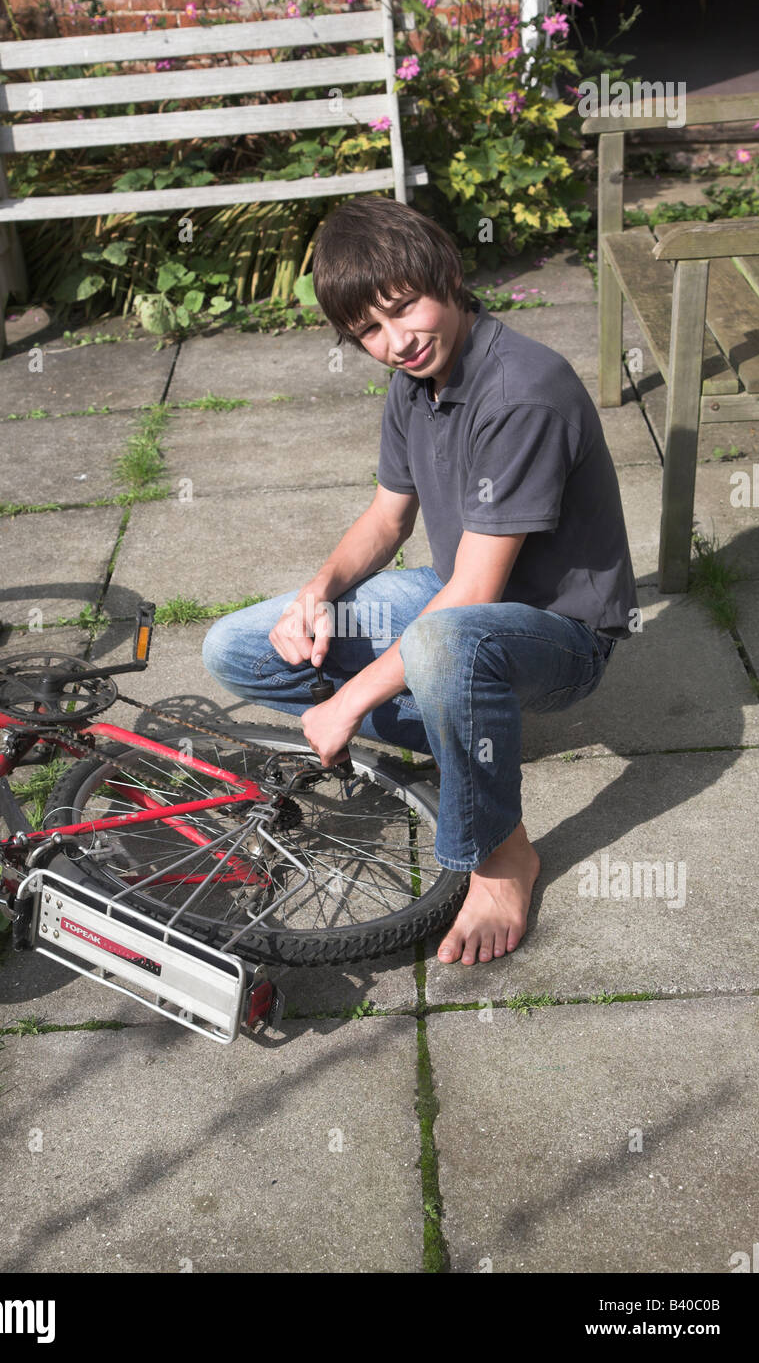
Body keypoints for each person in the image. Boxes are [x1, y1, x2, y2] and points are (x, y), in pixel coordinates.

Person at [202, 195, 638, 966]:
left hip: (560, 635)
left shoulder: (523, 394)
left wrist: (347, 700)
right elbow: (384, 518)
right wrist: (318, 592)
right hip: (456, 601)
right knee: (235, 649)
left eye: (405, 310)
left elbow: (471, 597)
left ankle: (503, 857)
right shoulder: (415, 380)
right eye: (369, 330)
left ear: (449, 274)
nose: (396, 341)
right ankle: (470, 726)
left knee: (442, 640)